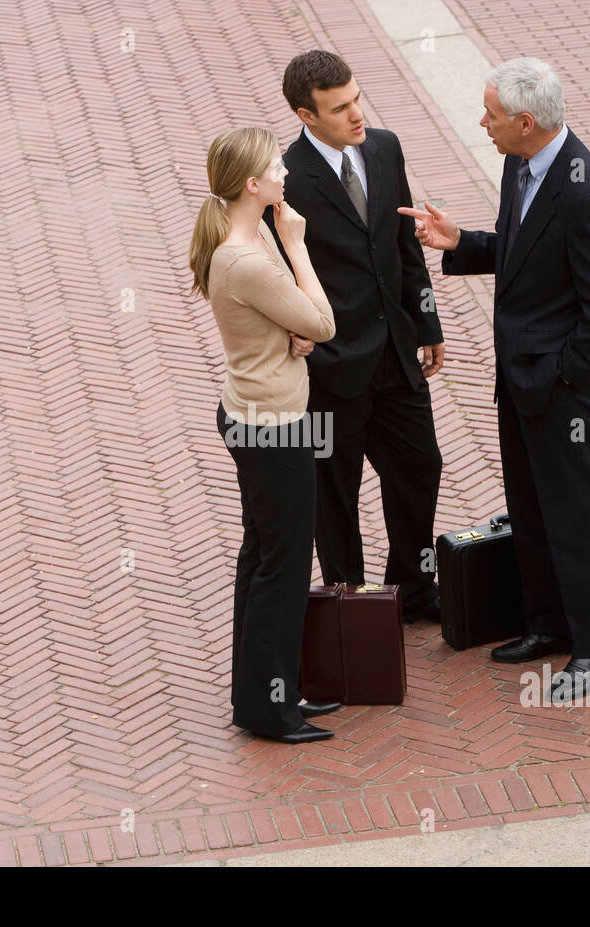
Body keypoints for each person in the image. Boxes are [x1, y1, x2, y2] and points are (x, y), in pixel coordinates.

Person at [400, 57, 590, 700]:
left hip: (561, 389)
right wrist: (462, 243)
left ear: (525, 121)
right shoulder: (523, 162)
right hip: (521, 379)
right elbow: (523, 249)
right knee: (532, 509)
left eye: (492, 115)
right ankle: (549, 625)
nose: (484, 123)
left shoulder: (587, 191)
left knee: (580, 517)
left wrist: (565, 376)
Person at [262, 50, 446, 624]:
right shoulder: (286, 181)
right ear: (305, 115)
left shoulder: (385, 148)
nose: (357, 116)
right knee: (334, 495)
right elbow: (278, 276)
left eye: (357, 99)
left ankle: (413, 590)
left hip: (395, 351)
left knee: (421, 468)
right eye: (340, 109)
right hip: (329, 369)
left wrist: (427, 321)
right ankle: (353, 606)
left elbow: (402, 244)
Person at [189, 127, 341, 743]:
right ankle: (271, 710)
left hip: (257, 416)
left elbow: (296, 323)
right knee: (280, 566)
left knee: (262, 557)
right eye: (277, 166)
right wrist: (298, 248)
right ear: (252, 185)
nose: (286, 172)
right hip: (272, 429)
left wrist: (293, 333)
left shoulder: (245, 240)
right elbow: (324, 322)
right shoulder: (250, 255)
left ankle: (263, 695)